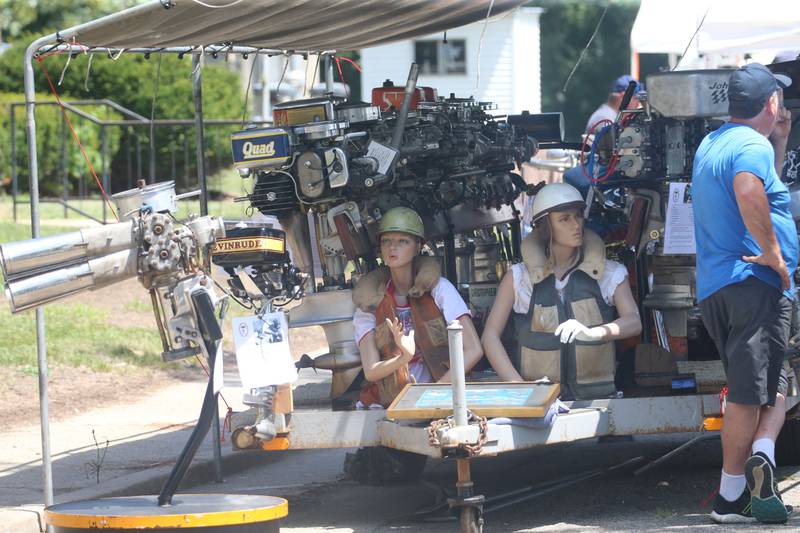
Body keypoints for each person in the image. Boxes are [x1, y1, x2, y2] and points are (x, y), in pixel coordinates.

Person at [692, 63, 796, 524]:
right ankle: (730, 497)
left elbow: (764, 188)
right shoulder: (749, 147)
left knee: (775, 381)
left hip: (724, 285)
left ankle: (762, 455)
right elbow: (750, 189)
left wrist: (778, 143)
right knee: (748, 394)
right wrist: (774, 254)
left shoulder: (715, 142)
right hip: (752, 283)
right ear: (770, 103)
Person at [480, 182, 641, 399]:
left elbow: (633, 321)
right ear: (546, 226)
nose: (576, 225)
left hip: (598, 402)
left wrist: (594, 332)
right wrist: (519, 388)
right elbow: (490, 336)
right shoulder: (519, 278)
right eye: (564, 219)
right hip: (540, 404)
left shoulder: (608, 273)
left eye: (578, 216)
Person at [351, 207, 483, 408]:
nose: (392, 248)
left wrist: (438, 390)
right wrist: (404, 357)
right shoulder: (369, 302)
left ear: (418, 246)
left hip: (443, 396)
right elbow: (370, 370)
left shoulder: (439, 289)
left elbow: (474, 349)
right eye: (386, 241)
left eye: (403, 241)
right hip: (390, 401)